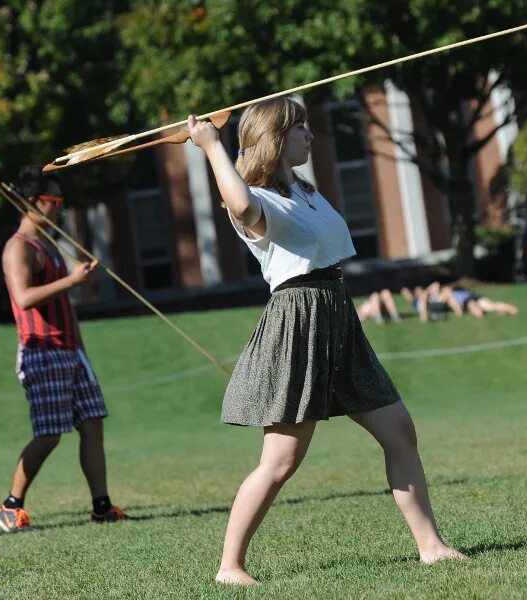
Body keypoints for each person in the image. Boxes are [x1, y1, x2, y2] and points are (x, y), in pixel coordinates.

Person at [187, 100, 466, 586]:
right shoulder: (257, 199)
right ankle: (230, 567)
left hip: (338, 313)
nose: (311, 136)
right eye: (300, 129)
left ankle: (431, 547)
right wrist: (211, 146)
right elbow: (240, 204)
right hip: (298, 322)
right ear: (275, 137)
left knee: (399, 429)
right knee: (280, 462)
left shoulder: (301, 190)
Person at [0, 166, 128, 533]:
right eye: (55, 202)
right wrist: (73, 280)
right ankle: (10, 506)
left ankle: (101, 506)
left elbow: (63, 304)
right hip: (41, 351)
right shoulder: (17, 248)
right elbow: (23, 298)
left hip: (71, 350)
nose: (59, 209)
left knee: (92, 424)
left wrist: (81, 349)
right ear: (34, 202)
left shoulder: (48, 245)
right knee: (50, 434)